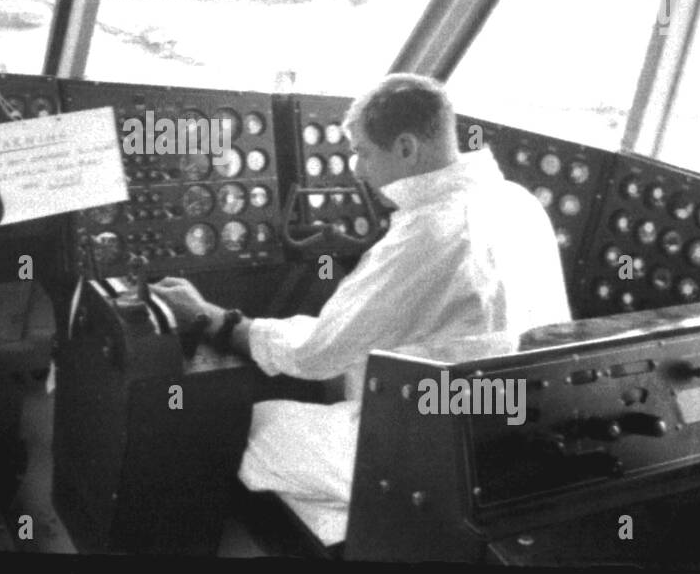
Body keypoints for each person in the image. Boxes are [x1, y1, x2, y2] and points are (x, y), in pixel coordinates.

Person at [150, 74, 570, 547]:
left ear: (407, 148)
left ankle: (364, 530)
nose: (356, 167)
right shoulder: (518, 201)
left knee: (245, 424)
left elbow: (316, 355)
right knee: (340, 391)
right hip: (519, 427)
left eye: (364, 152)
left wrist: (212, 317)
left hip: (441, 454)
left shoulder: (429, 235)